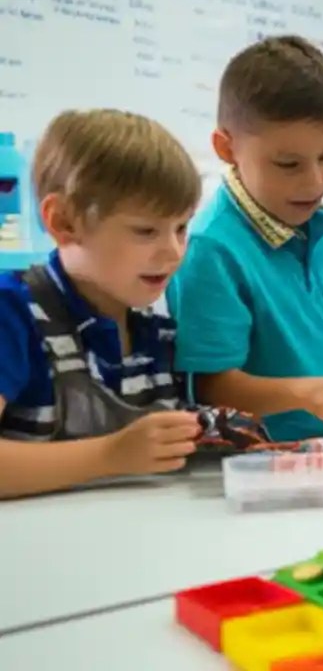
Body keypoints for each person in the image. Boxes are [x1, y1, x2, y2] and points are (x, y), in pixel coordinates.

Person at [168, 35, 323, 442]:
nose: (314, 181)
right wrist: (307, 393)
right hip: (256, 461)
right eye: (288, 163)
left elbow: (320, 363)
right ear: (226, 148)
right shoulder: (210, 248)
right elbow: (209, 386)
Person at [0, 110, 202, 498]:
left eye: (181, 227)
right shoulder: (13, 314)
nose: (173, 251)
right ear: (63, 222)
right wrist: (110, 455)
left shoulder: (157, 329)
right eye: (145, 231)